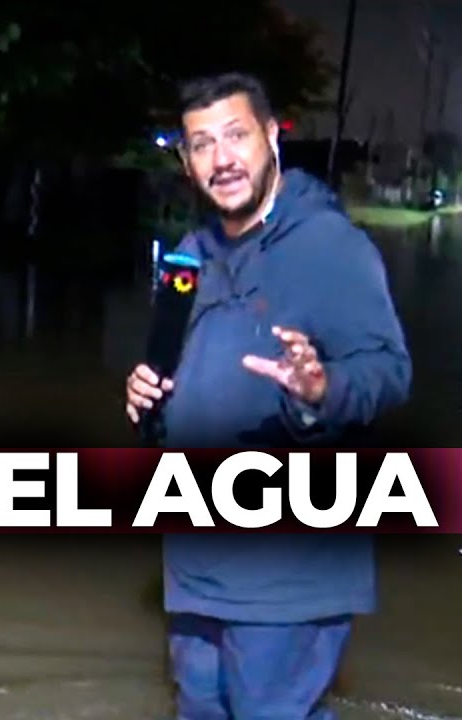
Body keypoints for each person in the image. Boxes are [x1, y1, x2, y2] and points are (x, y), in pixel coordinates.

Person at [123, 73, 411, 719]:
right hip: (197, 560)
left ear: (272, 139)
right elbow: (172, 389)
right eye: (202, 144)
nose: (222, 158)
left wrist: (321, 388)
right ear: (186, 161)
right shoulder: (188, 258)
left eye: (236, 135)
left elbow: (389, 372)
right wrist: (147, 398)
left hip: (290, 571)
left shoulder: (329, 246)